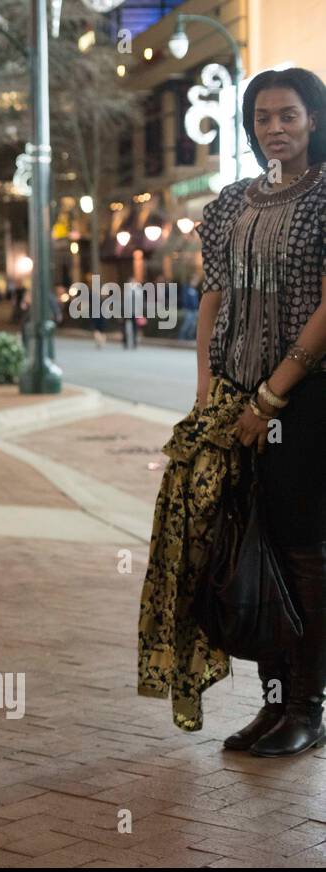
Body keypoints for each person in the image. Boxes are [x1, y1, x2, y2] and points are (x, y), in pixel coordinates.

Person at [139, 67, 326, 754]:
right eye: (263, 118)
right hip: (233, 395)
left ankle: (308, 705)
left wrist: (271, 397)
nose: (275, 128)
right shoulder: (228, 203)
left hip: (307, 401)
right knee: (253, 541)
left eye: (289, 116)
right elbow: (212, 298)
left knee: (304, 551)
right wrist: (206, 390)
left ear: (313, 119)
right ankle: (274, 704)